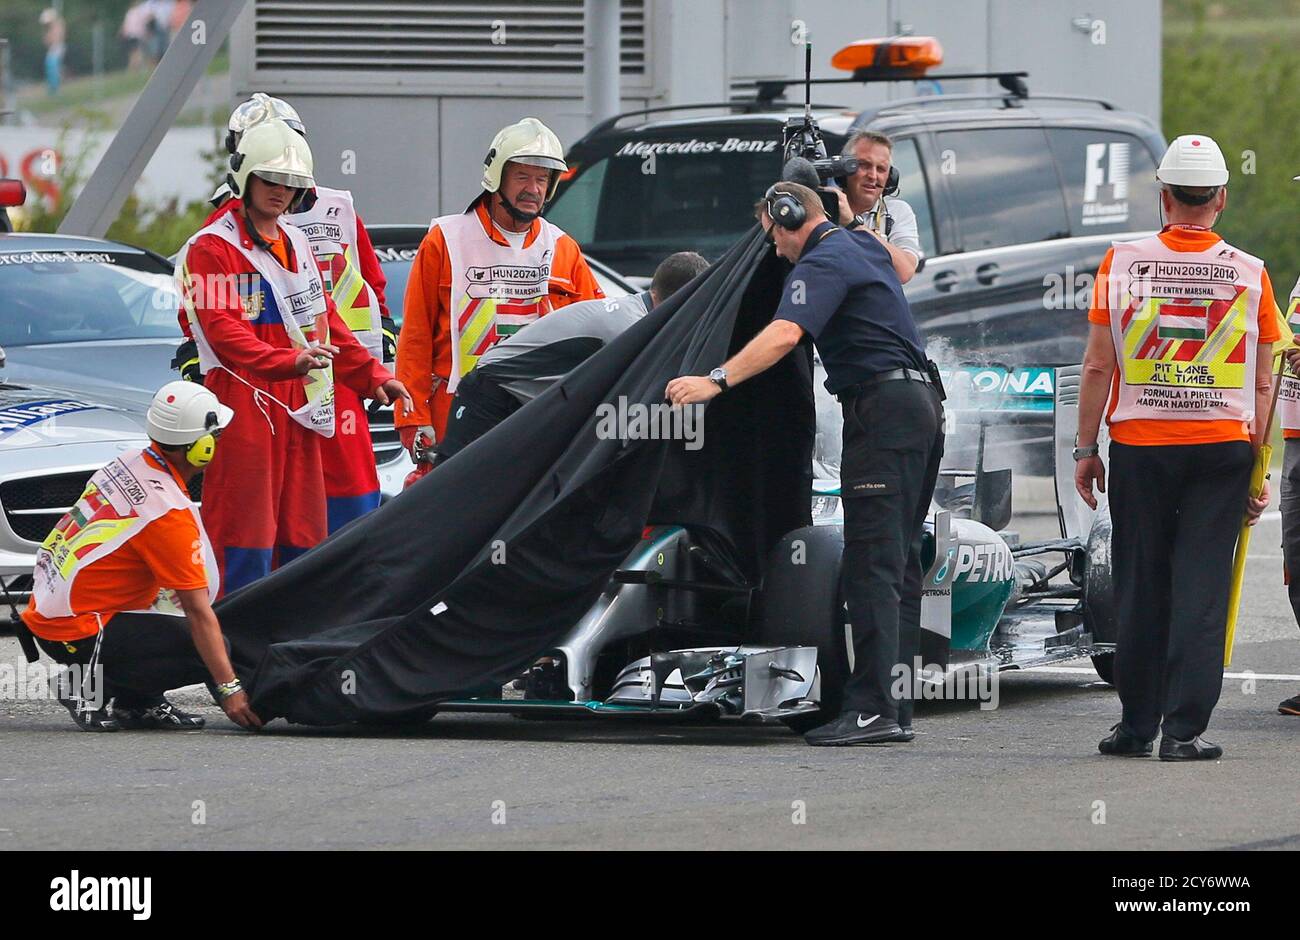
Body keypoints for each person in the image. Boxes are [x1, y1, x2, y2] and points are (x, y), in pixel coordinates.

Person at [666, 181, 944, 747]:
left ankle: (870, 711)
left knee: (871, 565)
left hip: (883, 414)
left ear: (788, 218)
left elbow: (785, 333)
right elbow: (892, 260)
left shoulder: (821, 261)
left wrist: (713, 380)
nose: (774, 251)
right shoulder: (861, 245)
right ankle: (895, 708)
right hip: (921, 409)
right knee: (900, 567)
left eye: (772, 237)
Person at [1075, 134, 1278, 761]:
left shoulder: (1121, 262)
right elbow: (1266, 379)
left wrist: (1086, 449)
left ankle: (1136, 726)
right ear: (1220, 198)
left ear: (1164, 197)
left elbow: (1097, 367)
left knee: (1141, 583)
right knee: (1202, 587)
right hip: (1222, 447)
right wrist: (1255, 468)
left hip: (1141, 444)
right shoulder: (1250, 273)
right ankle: (1184, 732)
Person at [175, 119, 409, 595]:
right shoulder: (210, 249)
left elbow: (327, 324)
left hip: (303, 407)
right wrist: (287, 362)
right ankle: (234, 647)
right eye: (270, 181)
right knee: (245, 533)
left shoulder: (298, 242)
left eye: (290, 184)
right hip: (244, 406)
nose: (280, 192)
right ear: (244, 179)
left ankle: (292, 641)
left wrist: (372, 376)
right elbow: (223, 332)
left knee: (303, 532)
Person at [19, 382, 262, 732]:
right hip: (77, 628)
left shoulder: (131, 462)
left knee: (172, 610)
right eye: (216, 435)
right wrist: (230, 688)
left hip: (56, 611)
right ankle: (87, 686)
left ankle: (139, 702)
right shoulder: (165, 513)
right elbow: (198, 613)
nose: (220, 443)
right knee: (210, 644)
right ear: (200, 449)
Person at [395, 117, 604, 479]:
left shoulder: (562, 248)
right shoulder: (445, 241)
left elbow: (599, 334)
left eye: (542, 179)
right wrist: (413, 419)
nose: (533, 189)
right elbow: (414, 339)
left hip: (538, 411)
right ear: (496, 177)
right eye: (522, 177)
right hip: (458, 410)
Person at [435, 251, 709, 464]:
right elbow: (640, 399)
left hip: (517, 402)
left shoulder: (634, 311)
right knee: (455, 500)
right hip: (489, 396)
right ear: (685, 301)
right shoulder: (630, 328)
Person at [833, 130, 924, 284]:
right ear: (844, 169)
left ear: (890, 178)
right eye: (864, 165)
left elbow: (905, 272)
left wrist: (853, 224)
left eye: (881, 169)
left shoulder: (898, 212)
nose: (873, 176)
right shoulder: (822, 208)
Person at [39, 8, 65, 97]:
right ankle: (53, 88)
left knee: (53, 68)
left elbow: (55, 39)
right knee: (51, 68)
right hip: (53, 49)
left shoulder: (57, 26)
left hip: (56, 49)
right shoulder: (50, 29)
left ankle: (55, 89)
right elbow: (46, 42)